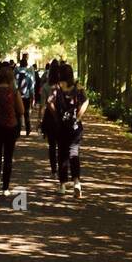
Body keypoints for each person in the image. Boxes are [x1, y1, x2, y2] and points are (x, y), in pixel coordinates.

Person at [46, 62, 88, 198]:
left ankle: (63, 185)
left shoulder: (56, 88)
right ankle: (76, 182)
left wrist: (57, 115)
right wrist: (79, 116)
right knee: (74, 153)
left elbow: (49, 102)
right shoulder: (78, 88)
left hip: (61, 127)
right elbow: (86, 102)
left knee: (62, 154)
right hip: (75, 127)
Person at [0, 66, 25, 196]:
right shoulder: (14, 91)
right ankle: (6, 187)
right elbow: (21, 110)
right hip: (11, 127)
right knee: (8, 157)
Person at [15, 55, 34, 136]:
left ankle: (18, 130)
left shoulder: (16, 75)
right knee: (26, 113)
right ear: (26, 65)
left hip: (17, 96)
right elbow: (31, 88)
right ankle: (28, 129)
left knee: (18, 114)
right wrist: (32, 97)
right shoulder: (29, 75)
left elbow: (14, 86)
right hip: (26, 97)